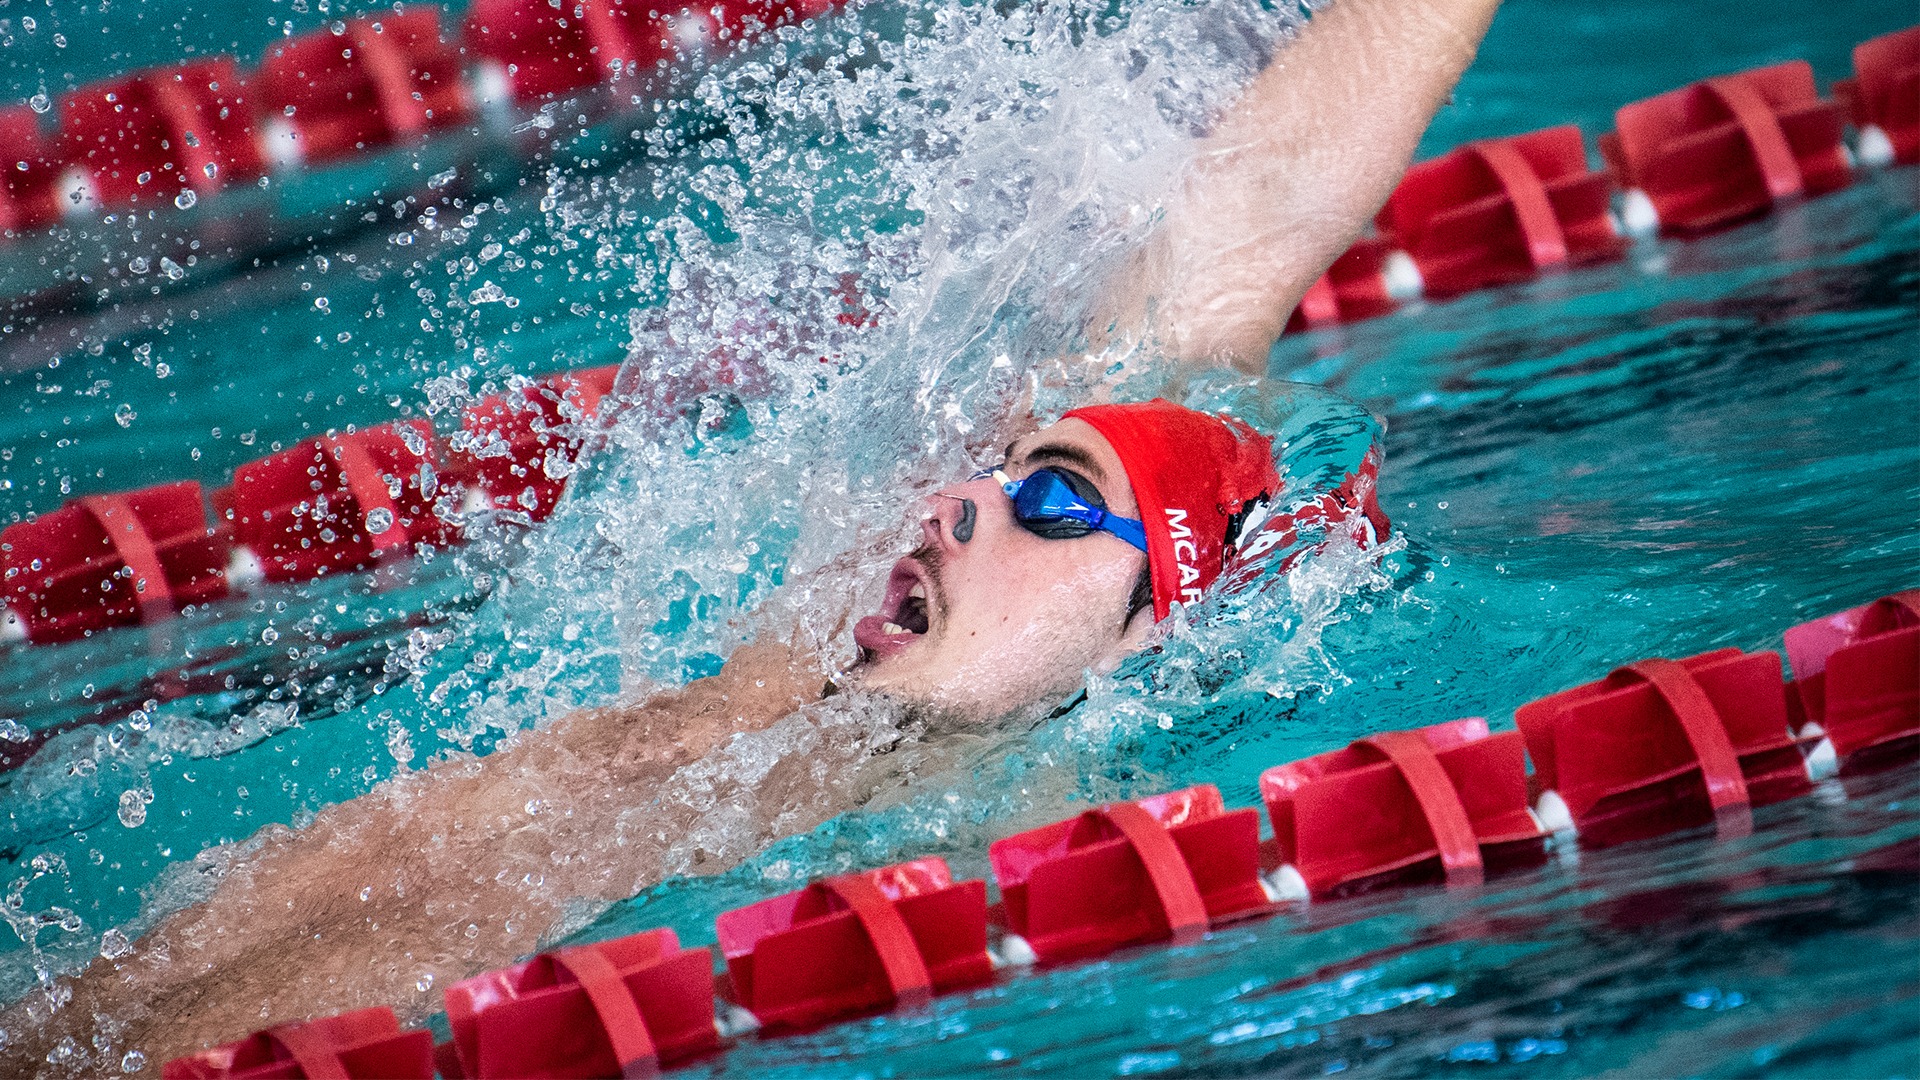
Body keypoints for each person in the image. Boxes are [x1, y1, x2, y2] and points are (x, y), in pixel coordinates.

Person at [2, 0, 1498, 1070]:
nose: (966, 496)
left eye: (1050, 498)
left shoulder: (1011, 838)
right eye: (1001, 469)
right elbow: (1247, 203)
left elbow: (1265, 207)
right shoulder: (809, 656)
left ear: (1162, 622)